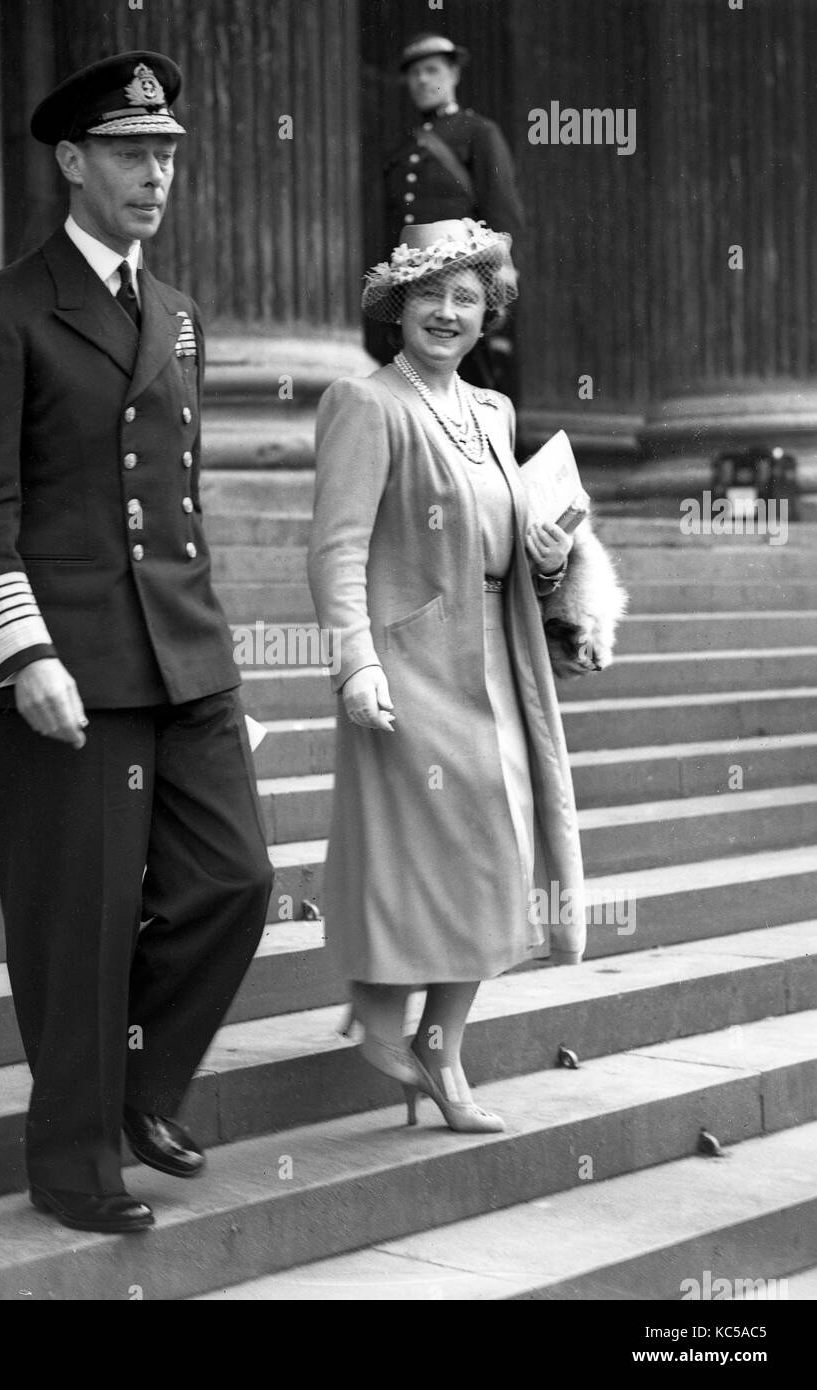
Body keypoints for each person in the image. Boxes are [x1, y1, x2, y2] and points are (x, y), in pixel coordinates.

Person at [0, 51, 273, 1234]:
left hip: (184, 654)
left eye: (167, 152)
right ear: (72, 161)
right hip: (67, 658)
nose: (154, 173)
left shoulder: (179, 316)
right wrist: (22, 653)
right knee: (75, 918)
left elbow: (178, 497)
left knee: (237, 878)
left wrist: (214, 656)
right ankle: (73, 1163)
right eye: (131, 152)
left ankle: (136, 1083)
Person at [307, 219, 584, 1135]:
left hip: (499, 656)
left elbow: (503, 534)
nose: (447, 312)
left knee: (496, 850)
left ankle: (440, 1039)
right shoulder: (366, 402)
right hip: (412, 665)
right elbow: (338, 548)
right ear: (397, 307)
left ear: (485, 318)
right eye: (430, 294)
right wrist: (355, 661)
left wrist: (546, 562)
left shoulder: (494, 412)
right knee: (427, 849)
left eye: (467, 298)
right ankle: (389, 1017)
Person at [378, 32, 525, 401]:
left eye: (432, 70)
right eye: (415, 74)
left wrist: (501, 280)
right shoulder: (405, 145)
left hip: (463, 281)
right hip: (413, 284)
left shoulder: (478, 132)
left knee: (475, 382)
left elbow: (502, 208)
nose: (423, 80)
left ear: (454, 74)